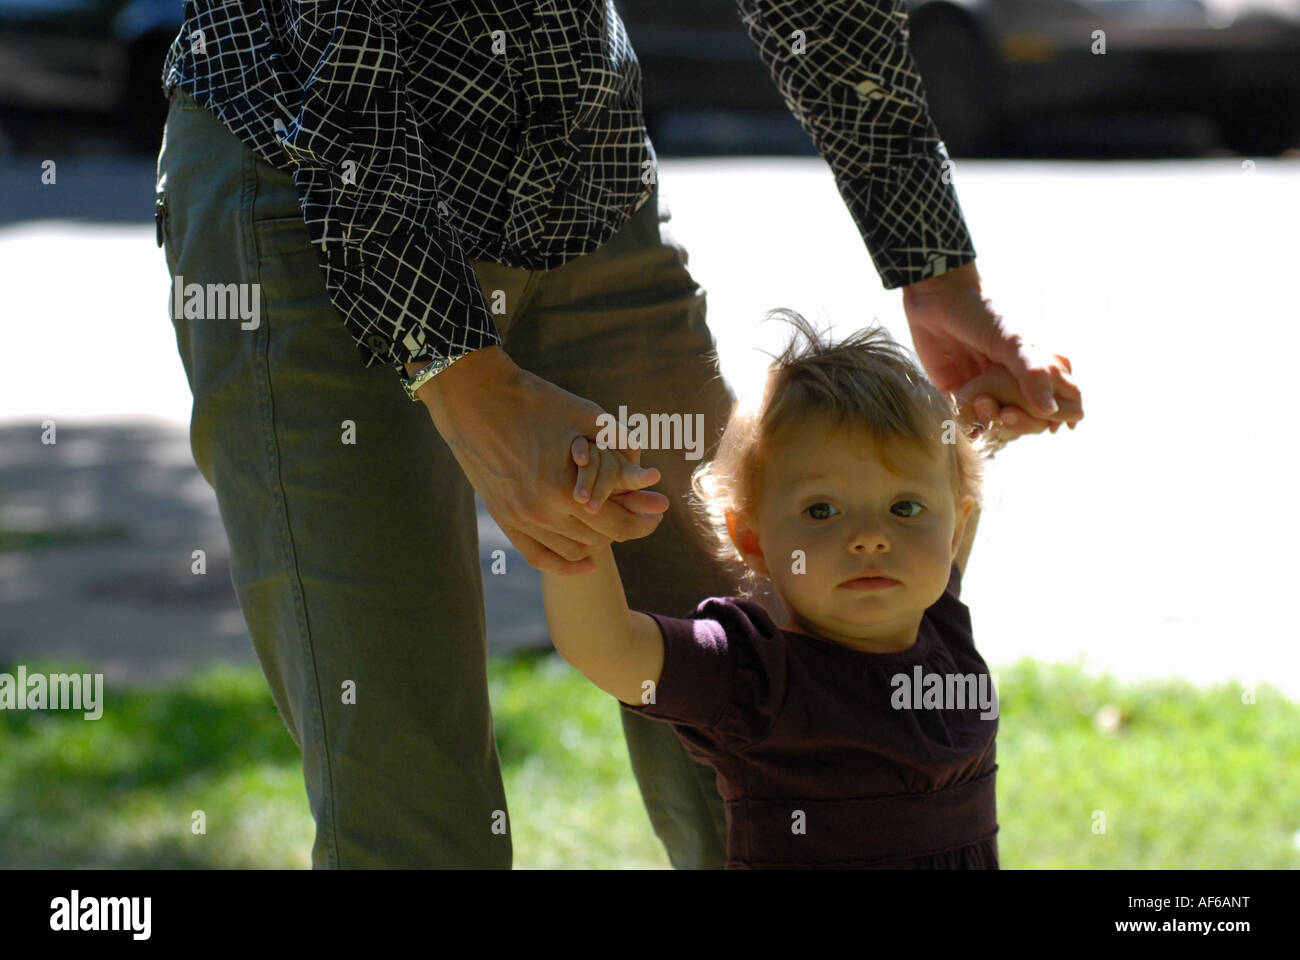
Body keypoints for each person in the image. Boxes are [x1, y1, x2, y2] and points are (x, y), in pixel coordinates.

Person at [154, 1, 1082, 868]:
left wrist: (938, 272)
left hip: (582, 182)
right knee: (411, 806)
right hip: (310, 186)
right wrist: (464, 380)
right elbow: (345, 85)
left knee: (797, 701)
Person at [542, 311, 1080, 867]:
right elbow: (605, 647)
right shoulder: (753, 675)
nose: (871, 538)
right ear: (752, 538)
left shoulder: (940, 620)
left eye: (904, 508)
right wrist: (574, 526)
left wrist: (991, 417)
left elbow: (942, 490)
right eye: (822, 511)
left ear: (956, 529)